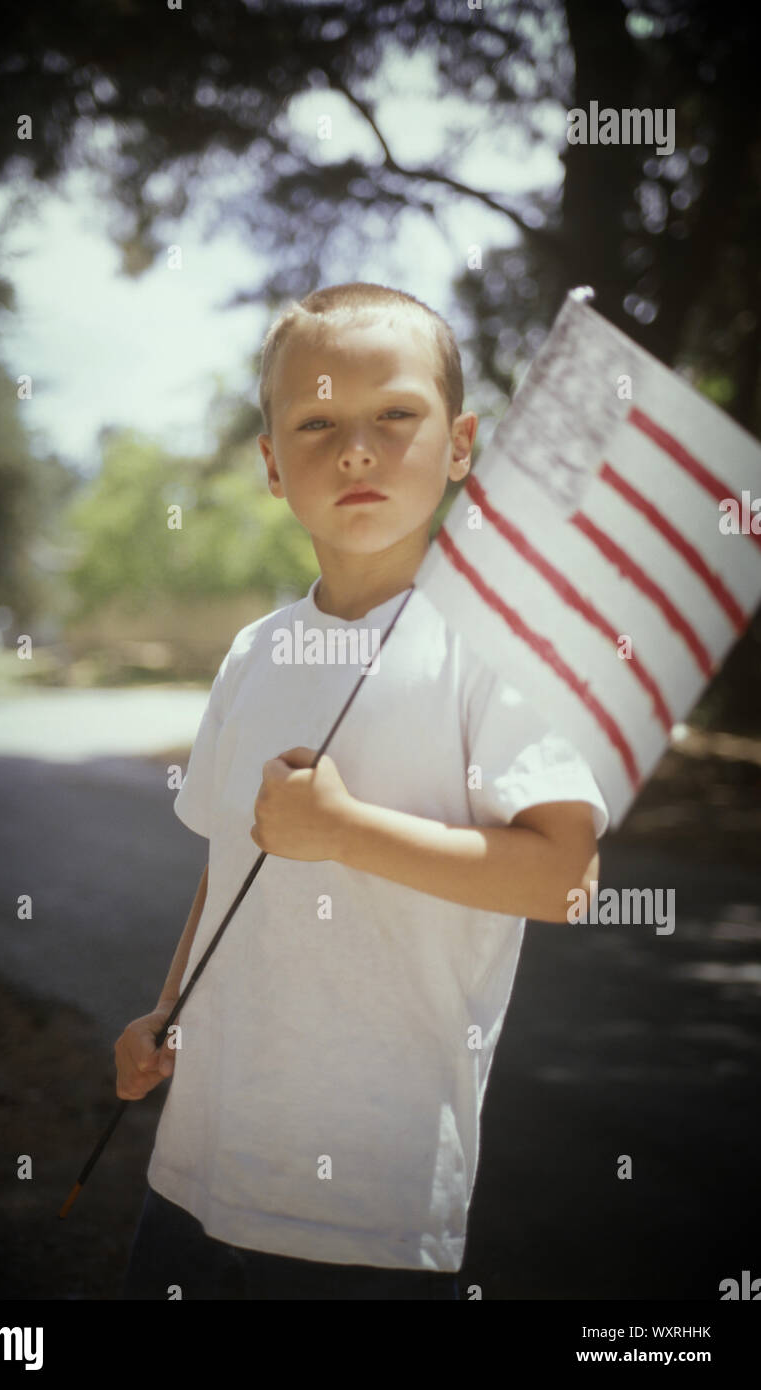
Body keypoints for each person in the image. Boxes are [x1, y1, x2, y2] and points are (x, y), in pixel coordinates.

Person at [116, 282, 608, 1300]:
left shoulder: (496, 647)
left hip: (367, 1214)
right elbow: (228, 863)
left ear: (460, 443)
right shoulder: (253, 654)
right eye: (316, 422)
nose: (355, 449)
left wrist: (343, 832)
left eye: (394, 415)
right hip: (198, 1163)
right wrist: (166, 1007)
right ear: (269, 463)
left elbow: (565, 879)